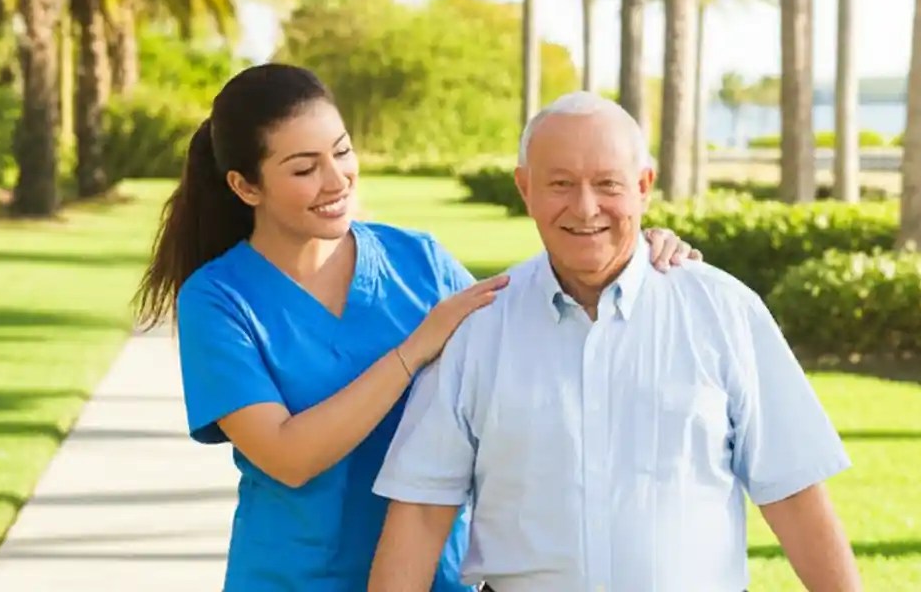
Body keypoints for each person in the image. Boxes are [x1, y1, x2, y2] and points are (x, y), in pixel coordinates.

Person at [132, 65, 704, 591]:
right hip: (290, 578)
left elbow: (538, 325)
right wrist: (413, 351)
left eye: (342, 153)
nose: (337, 181)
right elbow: (288, 455)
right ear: (245, 187)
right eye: (305, 169)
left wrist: (631, 257)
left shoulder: (420, 260)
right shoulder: (219, 298)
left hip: (436, 578)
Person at [368, 91, 861, 592]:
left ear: (644, 186)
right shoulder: (477, 329)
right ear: (525, 188)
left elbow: (794, 496)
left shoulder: (723, 311)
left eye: (607, 184)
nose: (585, 209)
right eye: (560, 184)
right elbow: (422, 511)